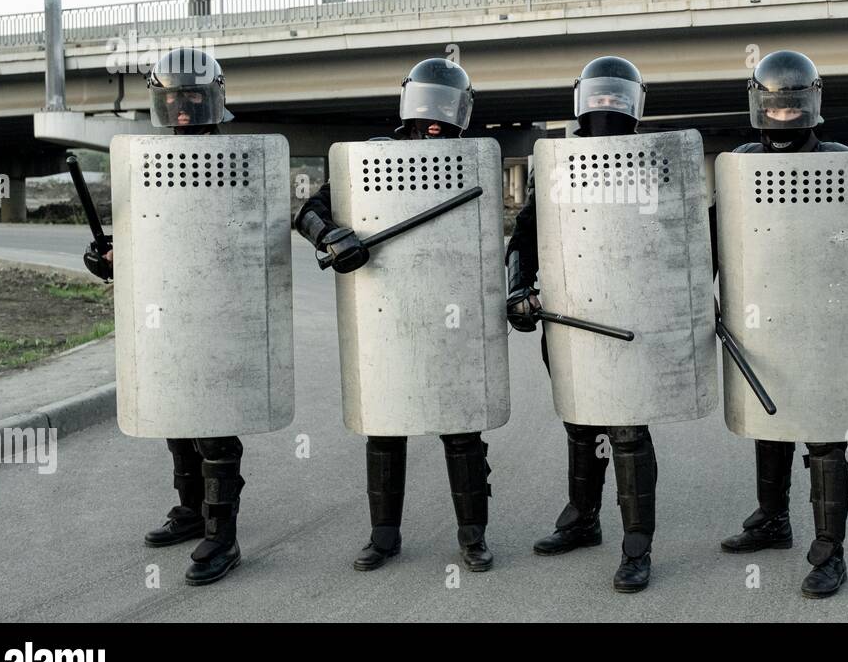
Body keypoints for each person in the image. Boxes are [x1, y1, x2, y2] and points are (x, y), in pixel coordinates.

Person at [293, 58, 495, 573]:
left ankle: (473, 536)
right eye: (428, 103)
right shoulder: (370, 159)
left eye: (444, 107)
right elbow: (308, 211)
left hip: (454, 309)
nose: (434, 118)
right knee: (385, 425)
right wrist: (331, 235)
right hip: (387, 309)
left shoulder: (476, 161)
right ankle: (384, 536)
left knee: (462, 426)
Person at [82, 47, 247, 586]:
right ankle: (192, 510)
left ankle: (223, 537)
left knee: (214, 424)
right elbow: (137, 234)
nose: (181, 108)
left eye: (192, 96)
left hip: (220, 306)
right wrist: (109, 257)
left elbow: (256, 235)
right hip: (165, 309)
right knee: (177, 416)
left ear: (212, 99)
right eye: (173, 97)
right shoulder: (145, 159)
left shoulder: (240, 160)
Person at [506, 56, 660, 593]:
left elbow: (683, 239)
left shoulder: (654, 161)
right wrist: (518, 288)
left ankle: (637, 546)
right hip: (570, 311)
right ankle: (583, 517)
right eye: (598, 98)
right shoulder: (556, 162)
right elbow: (525, 236)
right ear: (581, 101)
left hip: (631, 314)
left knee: (627, 428)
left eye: (614, 98)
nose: (605, 107)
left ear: (633, 102)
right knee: (580, 420)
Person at [713, 50, 848, 599]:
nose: (784, 116)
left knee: (823, 434)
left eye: (793, 105)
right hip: (762, 311)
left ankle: (829, 553)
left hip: (824, 317)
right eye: (774, 106)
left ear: (812, 103)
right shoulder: (741, 162)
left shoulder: (841, 160)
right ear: (759, 105)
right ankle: (773, 520)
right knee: (769, 422)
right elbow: (715, 236)